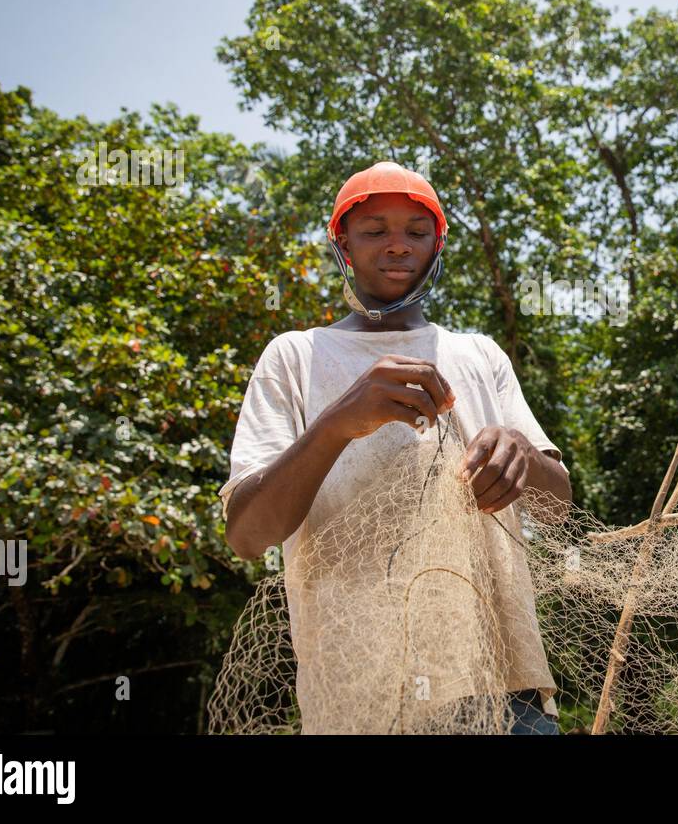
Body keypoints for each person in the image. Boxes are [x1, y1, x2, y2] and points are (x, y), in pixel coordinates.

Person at [219, 160, 571, 734]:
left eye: (415, 231)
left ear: (437, 245)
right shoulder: (295, 357)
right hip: (360, 697)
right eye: (374, 230)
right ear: (343, 244)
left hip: (505, 692)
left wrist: (521, 455)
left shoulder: (480, 356)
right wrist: (339, 422)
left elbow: (558, 510)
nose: (397, 246)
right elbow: (248, 535)